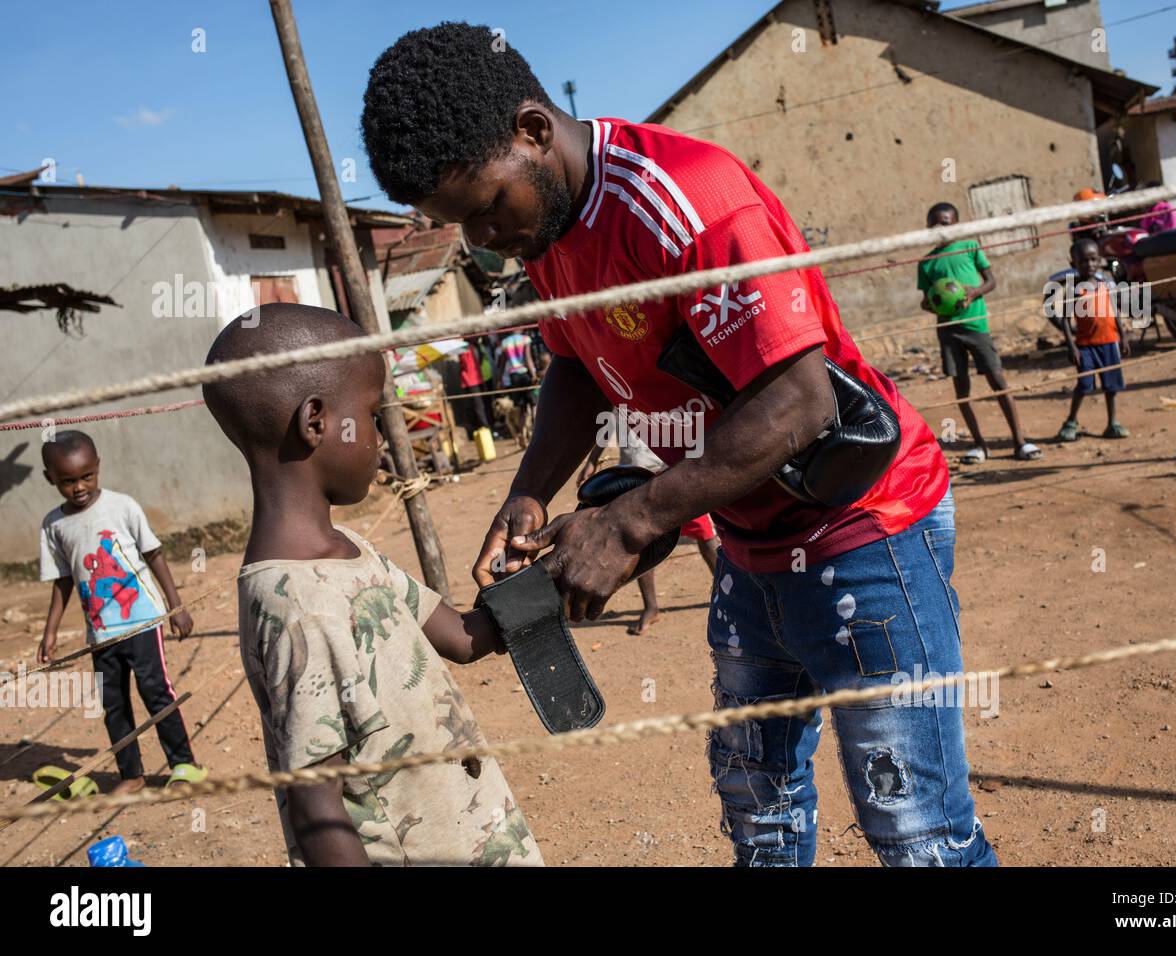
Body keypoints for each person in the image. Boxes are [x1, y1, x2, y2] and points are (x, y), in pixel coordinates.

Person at [362, 22, 996, 866]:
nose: (483, 241)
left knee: (915, 831)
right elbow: (576, 368)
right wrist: (530, 493)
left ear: (533, 132)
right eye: (459, 225)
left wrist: (630, 523)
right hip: (747, 535)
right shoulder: (547, 236)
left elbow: (798, 403)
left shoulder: (686, 200)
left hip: (860, 530)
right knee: (758, 802)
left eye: (484, 209)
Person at [202, 302, 542, 867]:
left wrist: (540, 576)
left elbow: (462, 636)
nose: (384, 434)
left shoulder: (352, 551)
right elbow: (318, 814)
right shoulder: (298, 606)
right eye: (372, 414)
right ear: (315, 421)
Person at [37, 430, 206, 795]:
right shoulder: (54, 525)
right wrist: (49, 631)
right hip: (101, 633)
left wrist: (176, 606)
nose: (79, 487)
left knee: (156, 692)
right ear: (51, 478)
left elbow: (154, 555)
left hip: (142, 621)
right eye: (67, 481)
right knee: (112, 704)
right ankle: (131, 775)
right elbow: (62, 581)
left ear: (98, 468)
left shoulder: (122, 506)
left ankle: (184, 766)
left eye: (86, 476)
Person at [576, 413, 720, 635]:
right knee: (640, 543)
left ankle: (726, 591)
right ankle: (651, 607)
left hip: (672, 475)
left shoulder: (659, 391)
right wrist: (592, 461)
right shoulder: (618, 391)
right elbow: (608, 426)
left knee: (704, 534)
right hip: (633, 479)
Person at [918, 203, 1038, 463]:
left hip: (976, 327)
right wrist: (934, 303)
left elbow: (991, 281)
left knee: (998, 382)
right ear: (928, 227)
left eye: (946, 223)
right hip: (948, 332)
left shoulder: (970, 246)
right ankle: (980, 445)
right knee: (962, 388)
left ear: (957, 225)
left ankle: (1020, 441)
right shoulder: (926, 263)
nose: (941, 228)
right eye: (935, 224)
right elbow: (926, 301)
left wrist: (973, 293)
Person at [1056, 238, 1130, 441]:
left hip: (1109, 342)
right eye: (1083, 261)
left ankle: (1112, 423)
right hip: (1086, 347)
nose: (1089, 265)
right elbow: (1064, 321)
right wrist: (1072, 347)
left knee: (1111, 386)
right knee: (1084, 385)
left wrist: (1122, 337)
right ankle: (1071, 421)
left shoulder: (1104, 285)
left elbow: (1113, 312)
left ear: (1099, 261)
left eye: (1093, 260)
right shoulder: (1074, 290)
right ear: (1074, 264)